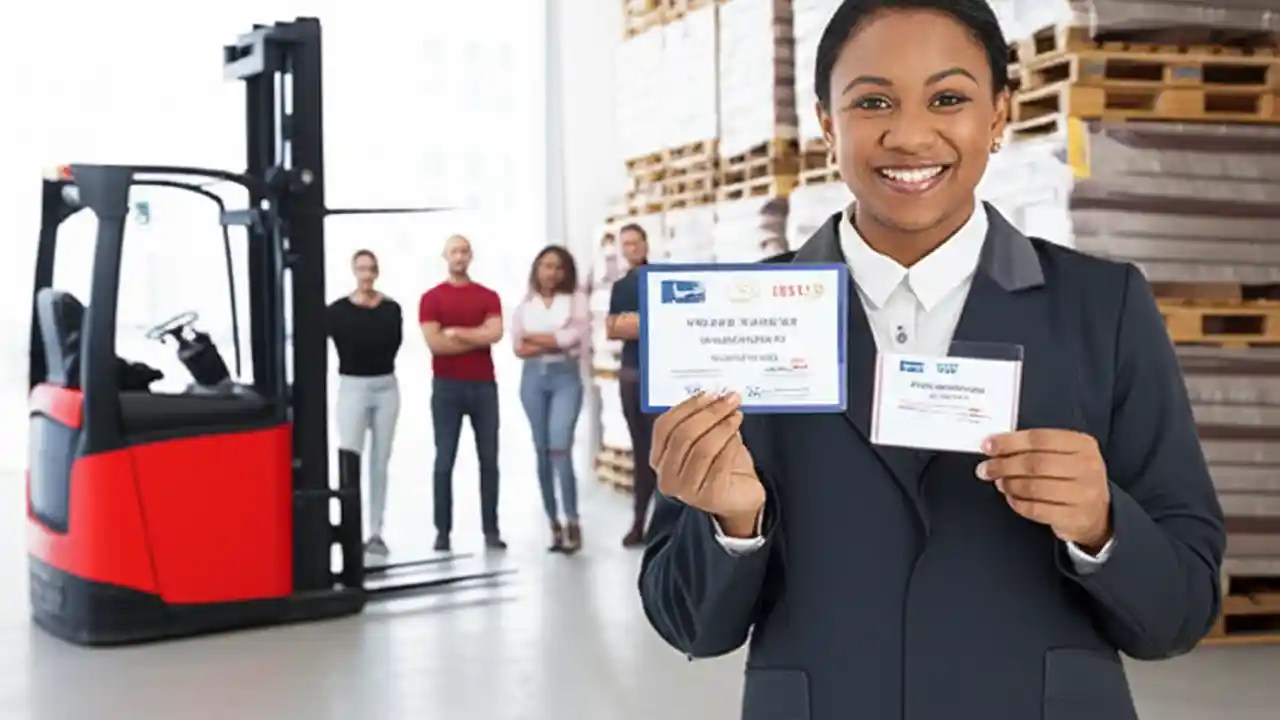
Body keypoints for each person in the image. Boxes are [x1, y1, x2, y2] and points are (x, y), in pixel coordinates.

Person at [637, 2, 1226, 719]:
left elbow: (1180, 612)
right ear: (827, 122)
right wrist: (732, 527)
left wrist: (1103, 525)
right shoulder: (735, 321)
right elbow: (686, 622)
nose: (910, 135)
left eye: (948, 98)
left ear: (1000, 115)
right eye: (872, 101)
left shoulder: (1103, 310)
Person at [418, 234, 506, 552]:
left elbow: (495, 333)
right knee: (444, 459)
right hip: (446, 387)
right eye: (454, 251)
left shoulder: (488, 296)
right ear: (445, 255)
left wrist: (456, 332)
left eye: (465, 251)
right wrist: (476, 336)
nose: (459, 256)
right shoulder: (431, 298)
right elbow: (435, 344)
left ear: (471, 256)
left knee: (489, 460)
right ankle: (443, 532)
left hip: (484, 386)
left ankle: (491, 530)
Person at [510, 245, 590, 553]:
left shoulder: (576, 300)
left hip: (565, 379)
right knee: (542, 450)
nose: (551, 272)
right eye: (546, 266)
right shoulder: (526, 304)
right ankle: (553, 523)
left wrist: (539, 340)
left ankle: (572, 520)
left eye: (558, 267)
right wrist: (553, 341)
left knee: (560, 446)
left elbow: (573, 338)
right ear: (536, 269)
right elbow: (518, 345)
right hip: (532, 380)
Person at [326, 249, 403, 556]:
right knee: (351, 457)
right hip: (353, 386)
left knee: (380, 460)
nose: (367, 275)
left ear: (377, 271)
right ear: (354, 271)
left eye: (371, 269)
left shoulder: (391, 308)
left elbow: (389, 346)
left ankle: (376, 530)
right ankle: (350, 527)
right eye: (361, 269)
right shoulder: (336, 311)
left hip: (385, 386)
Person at [606, 223, 655, 548]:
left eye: (636, 242)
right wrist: (650, 320)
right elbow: (614, 328)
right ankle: (639, 520)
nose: (631, 248)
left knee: (661, 452)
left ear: (646, 243)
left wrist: (635, 322)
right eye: (626, 243)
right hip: (632, 373)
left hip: (659, 374)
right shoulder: (621, 286)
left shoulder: (662, 278)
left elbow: (677, 321)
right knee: (640, 451)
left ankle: (663, 523)